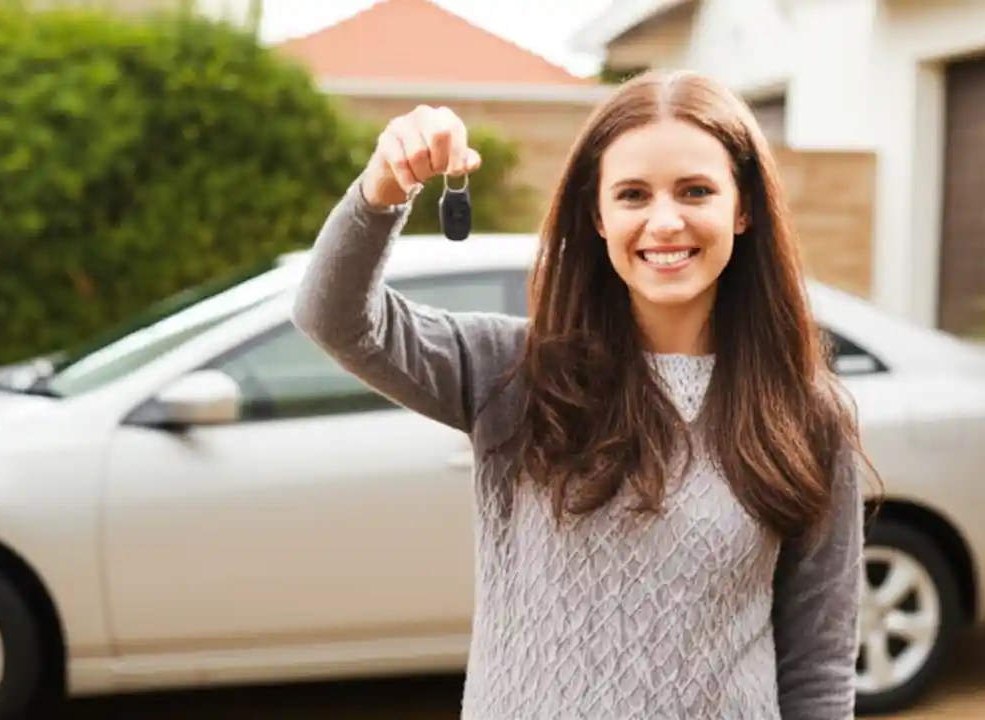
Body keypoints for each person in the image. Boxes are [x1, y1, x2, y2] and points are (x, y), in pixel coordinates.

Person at [292, 70, 872, 720]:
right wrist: (384, 188)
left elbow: (817, 669)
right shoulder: (511, 374)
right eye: (632, 194)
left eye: (695, 190)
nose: (664, 221)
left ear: (743, 209)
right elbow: (335, 318)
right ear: (597, 216)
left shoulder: (807, 420)